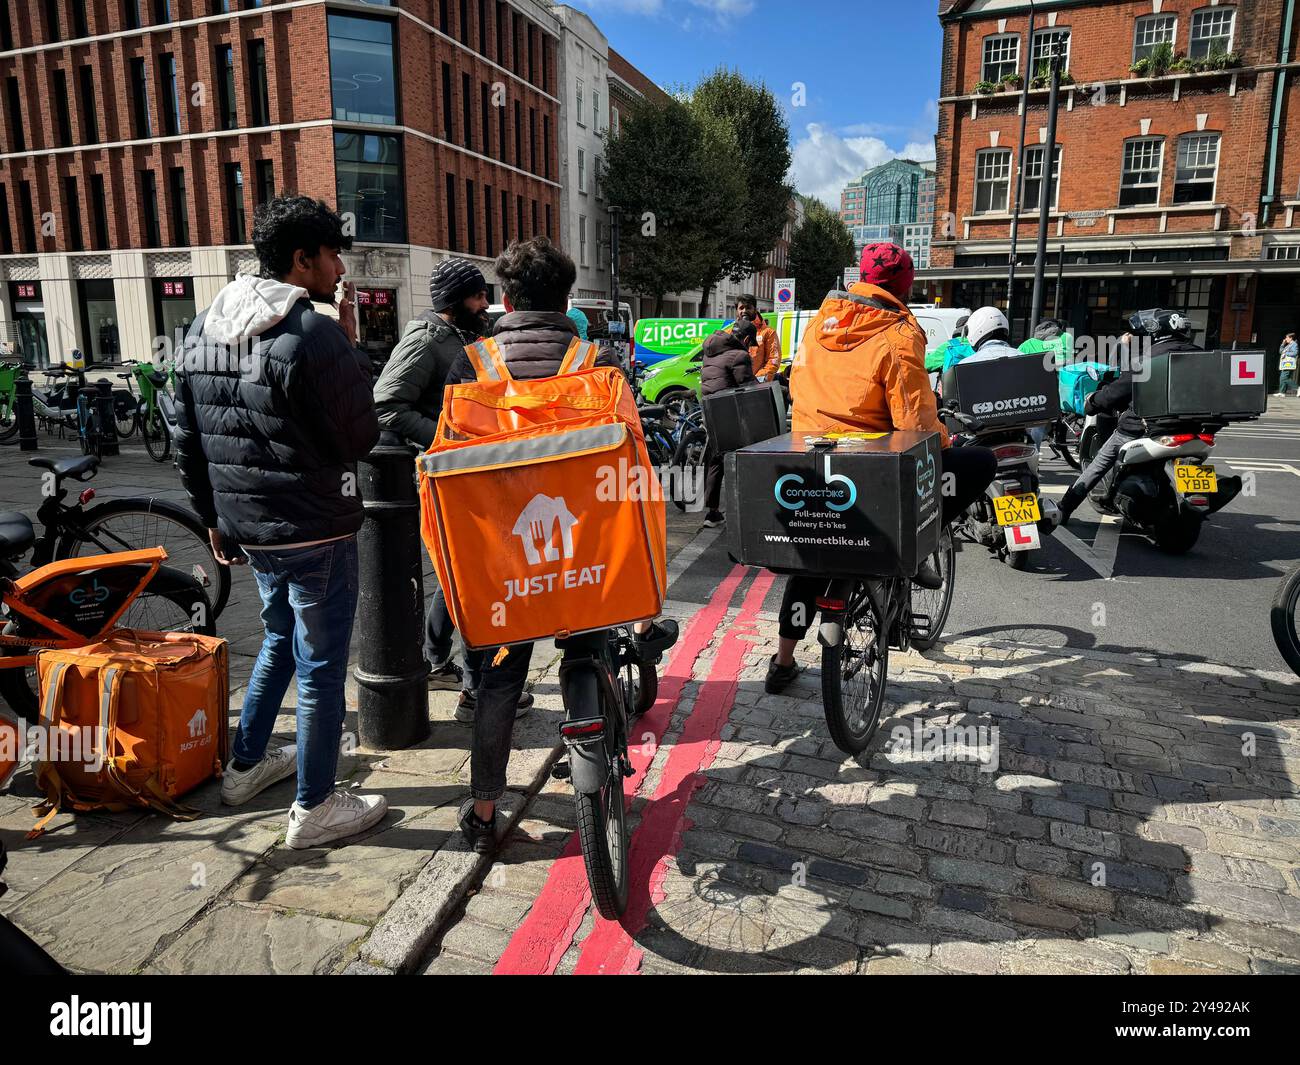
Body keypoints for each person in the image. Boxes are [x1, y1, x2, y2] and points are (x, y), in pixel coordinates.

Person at [440, 237, 679, 852]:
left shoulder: (473, 365)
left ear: (505, 298)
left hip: (506, 567)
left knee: (499, 684)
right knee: (590, 639)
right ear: (566, 297)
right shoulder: (595, 360)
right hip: (587, 558)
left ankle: (486, 811)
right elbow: (634, 465)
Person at [173, 195, 387, 849]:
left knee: (276, 639)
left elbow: (186, 438)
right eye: (331, 253)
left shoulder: (199, 328)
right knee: (320, 664)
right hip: (315, 529)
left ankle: (243, 767)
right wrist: (348, 346)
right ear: (302, 259)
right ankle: (315, 807)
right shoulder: (314, 334)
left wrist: (213, 520)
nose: (341, 265)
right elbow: (360, 433)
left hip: (248, 527)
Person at [765, 242, 996, 694]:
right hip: (872, 469)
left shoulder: (818, 325)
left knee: (811, 564)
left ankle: (782, 661)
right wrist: (947, 439)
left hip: (813, 459)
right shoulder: (899, 332)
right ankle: (918, 544)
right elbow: (914, 424)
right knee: (979, 462)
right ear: (904, 286)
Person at [372, 258, 532, 721]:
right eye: (478, 295)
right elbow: (386, 404)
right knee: (469, 577)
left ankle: (439, 660)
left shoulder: (460, 336)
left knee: (455, 573)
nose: (486, 303)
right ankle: (472, 691)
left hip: (467, 474)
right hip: (446, 475)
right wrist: (447, 437)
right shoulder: (425, 340)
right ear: (455, 300)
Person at [1048, 309, 1197, 530]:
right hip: (1194, 427)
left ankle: (1065, 507)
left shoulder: (1150, 358)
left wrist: (1093, 401)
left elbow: (1118, 391)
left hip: (1145, 428)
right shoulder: (1200, 355)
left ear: (1157, 333)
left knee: (1100, 462)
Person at [698, 317, 759, 528]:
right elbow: (749, 387)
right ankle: (743, 510)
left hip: (710, 411)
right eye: (751, 343)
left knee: (716, 461)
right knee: (740, 460)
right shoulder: (739, 355)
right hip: (731, 414)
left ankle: (712, 513)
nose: (750, 348)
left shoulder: (710, 352)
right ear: (748, 338)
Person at [734, 293, 782, 381]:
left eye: (748, 307)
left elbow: (773, 360)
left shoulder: (768, 333)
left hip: (757, 386)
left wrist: (757, 381)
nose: (744, 310)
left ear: (755, 310)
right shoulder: (730, 332)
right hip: (735, 386)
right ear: (737, 310)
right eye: (741, 308)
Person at [1278, 333, 1297, 397]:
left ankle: (1297, 387)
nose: (1285, 339)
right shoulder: (1288, 345)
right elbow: (1280, 351)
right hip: (1285, 363)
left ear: (1291, 338)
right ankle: (1282, 392)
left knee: (1284, 378)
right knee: (1282, 378)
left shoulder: (1294, 344)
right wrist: (1283, 344)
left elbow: (1295, 353)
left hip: (1289, 363)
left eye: (1287, 337)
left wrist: (1286, 353)